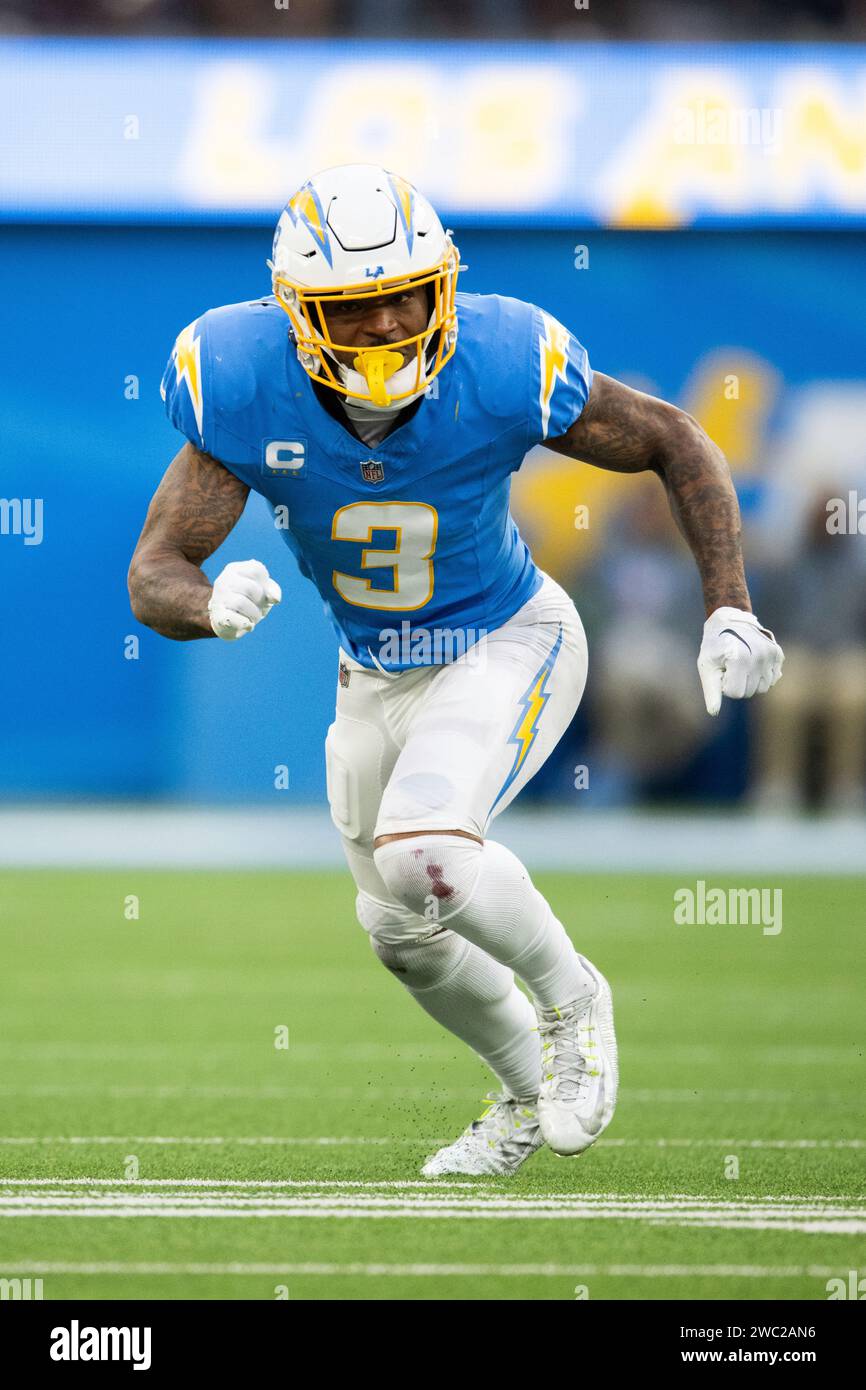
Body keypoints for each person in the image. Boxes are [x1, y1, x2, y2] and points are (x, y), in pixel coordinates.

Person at [128, 164, 784, 1176]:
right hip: (371, 672)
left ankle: (574, 997)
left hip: (506, 637)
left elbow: (672, 439)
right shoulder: (241, 377)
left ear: (444, 284)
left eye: (407, 294)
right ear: (300, 317)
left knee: (422, 848)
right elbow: (154, 572)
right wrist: (206, 604)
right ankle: (523, 1097)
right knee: (401, 930)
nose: (390, 322)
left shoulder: (501, 357)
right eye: (356, 307)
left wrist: (727, 603)